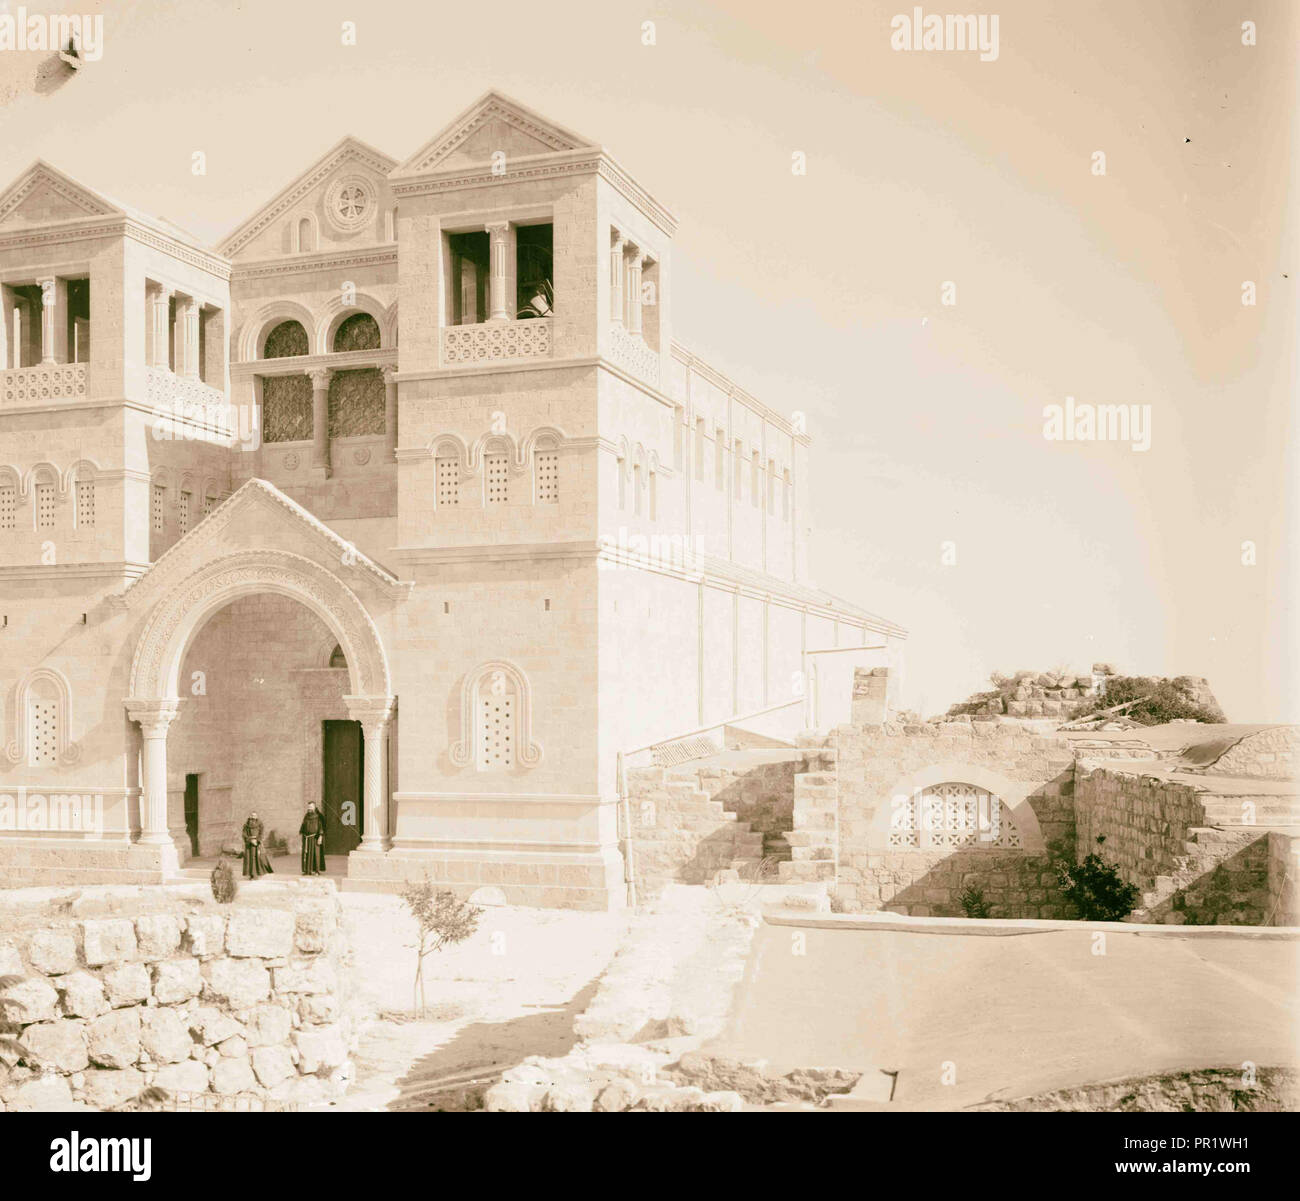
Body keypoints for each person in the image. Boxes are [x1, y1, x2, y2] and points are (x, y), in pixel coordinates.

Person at [242, 811, 273, 879]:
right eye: (252, 815)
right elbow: (244, 834)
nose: (253, 816)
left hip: (257, 843)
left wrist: (257, 840)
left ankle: (258, 873)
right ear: (250, 816)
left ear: (257, 816)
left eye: (254, 815)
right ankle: (251, 874)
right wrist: (250, 840)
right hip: (249, 844)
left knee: (258, 858)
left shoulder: (260, 824)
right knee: (250, 859)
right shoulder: (246, 825)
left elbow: (261, 833)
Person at [300, 803, 327, 876]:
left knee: (316, 855)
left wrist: (320, 837)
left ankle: (317, 871)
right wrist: (302, 835)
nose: (309, 808)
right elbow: (303, 825)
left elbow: (321, 827)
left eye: (311, 807)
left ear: (314, 808)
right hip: (306, 838)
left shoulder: (318, 817)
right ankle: (307, 871)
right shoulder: (306, 816)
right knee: (306, 854)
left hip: (315, 838)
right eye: (309, 807)